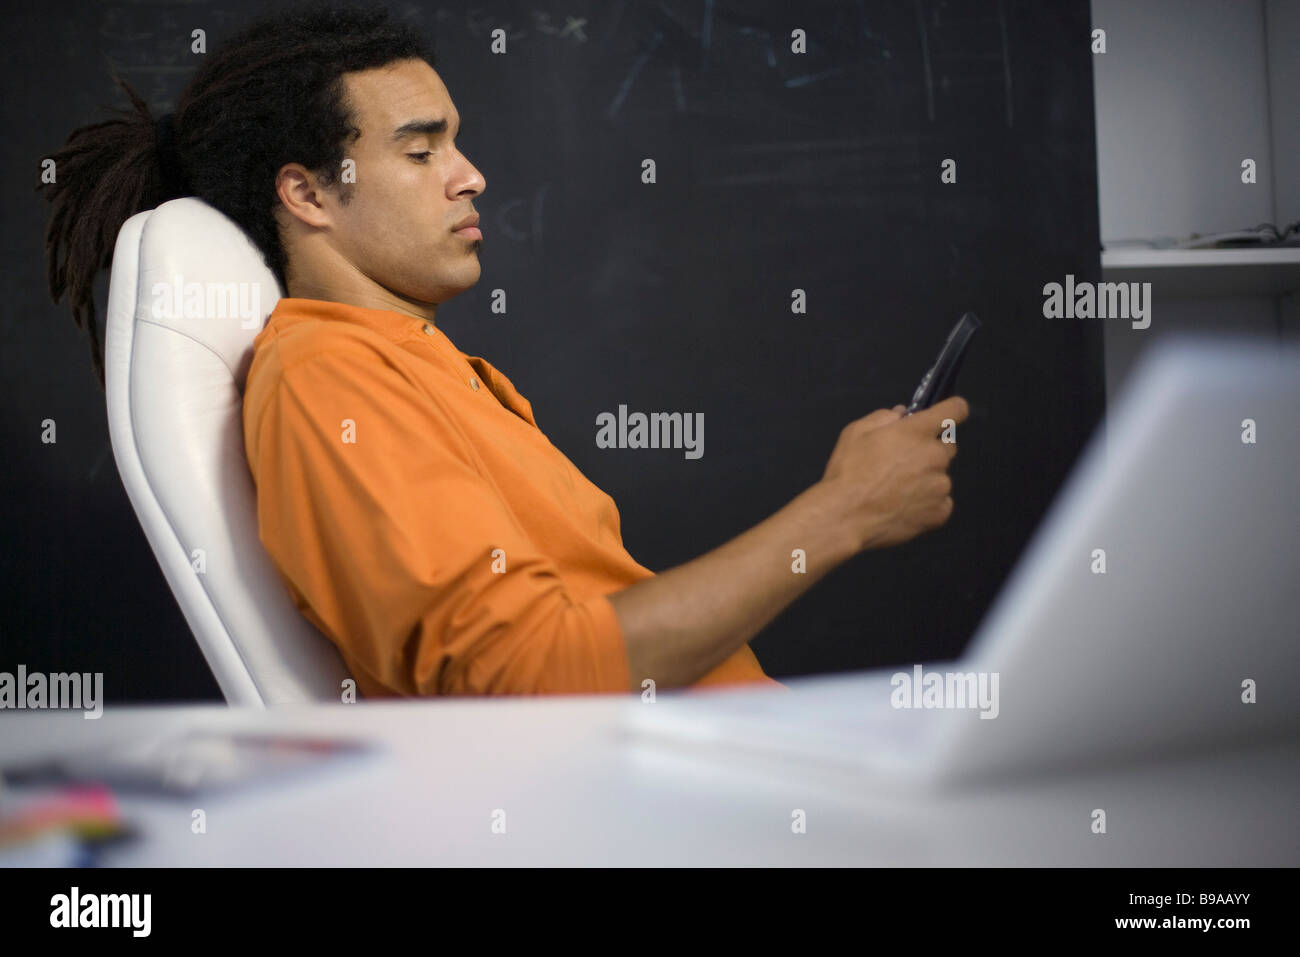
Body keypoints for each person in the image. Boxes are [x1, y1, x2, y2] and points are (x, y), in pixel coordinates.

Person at [39, 3, 969, 697]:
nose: (470, 174)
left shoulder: (416, 363)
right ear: (310, 195)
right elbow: (525, 677)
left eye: (459, 143)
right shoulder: (334, 383)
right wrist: (844, 511)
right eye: (420, 150)